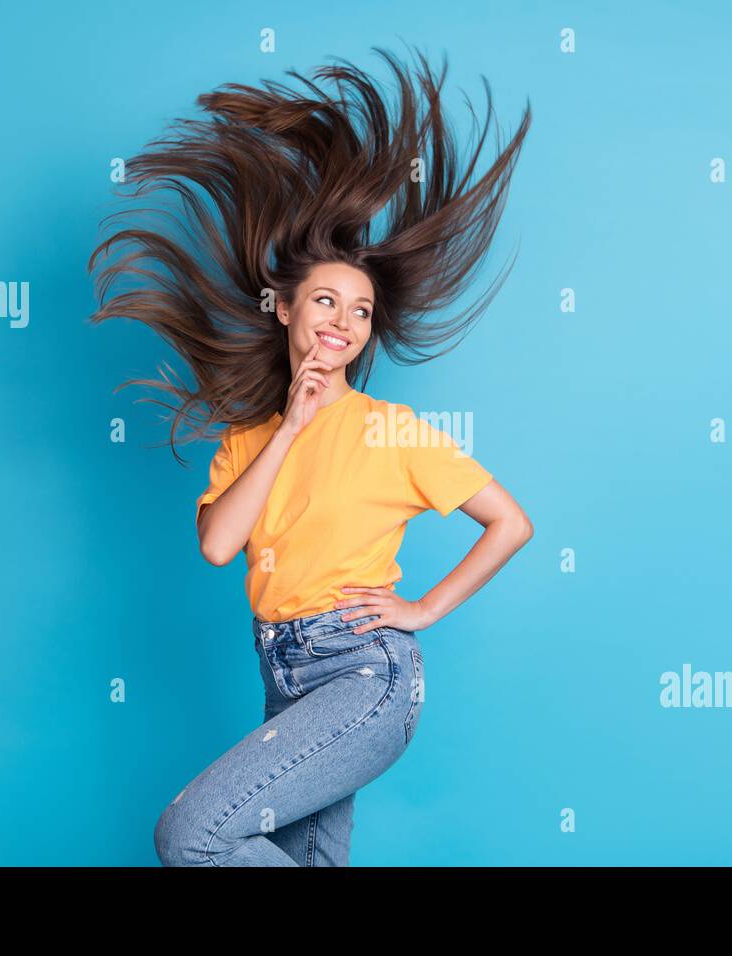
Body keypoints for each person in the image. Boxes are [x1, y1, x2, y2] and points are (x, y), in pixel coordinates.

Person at [87, 46, 532, 865]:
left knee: (192, 838)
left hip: (365, 675)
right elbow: (221, 545)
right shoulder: (247, 436)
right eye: (326, 300)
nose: (343, 321)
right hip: (283, 671)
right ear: (283, 308)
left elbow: (510, 523)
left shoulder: (392, 429)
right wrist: (288, 428)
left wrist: (423, 611)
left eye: (360, 311)